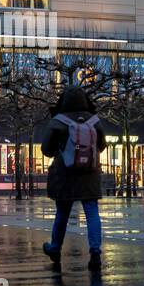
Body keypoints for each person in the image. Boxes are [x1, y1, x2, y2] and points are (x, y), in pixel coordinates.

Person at [40, 86, 107, 272]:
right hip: (89, 174)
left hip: (65, 175)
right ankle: (95, 252)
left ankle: (55, 248)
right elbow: (102, 145)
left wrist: (63, 152)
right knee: (92, 212)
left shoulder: (57, 121)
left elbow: (45, 150)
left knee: (62, 212)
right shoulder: (95, 121)